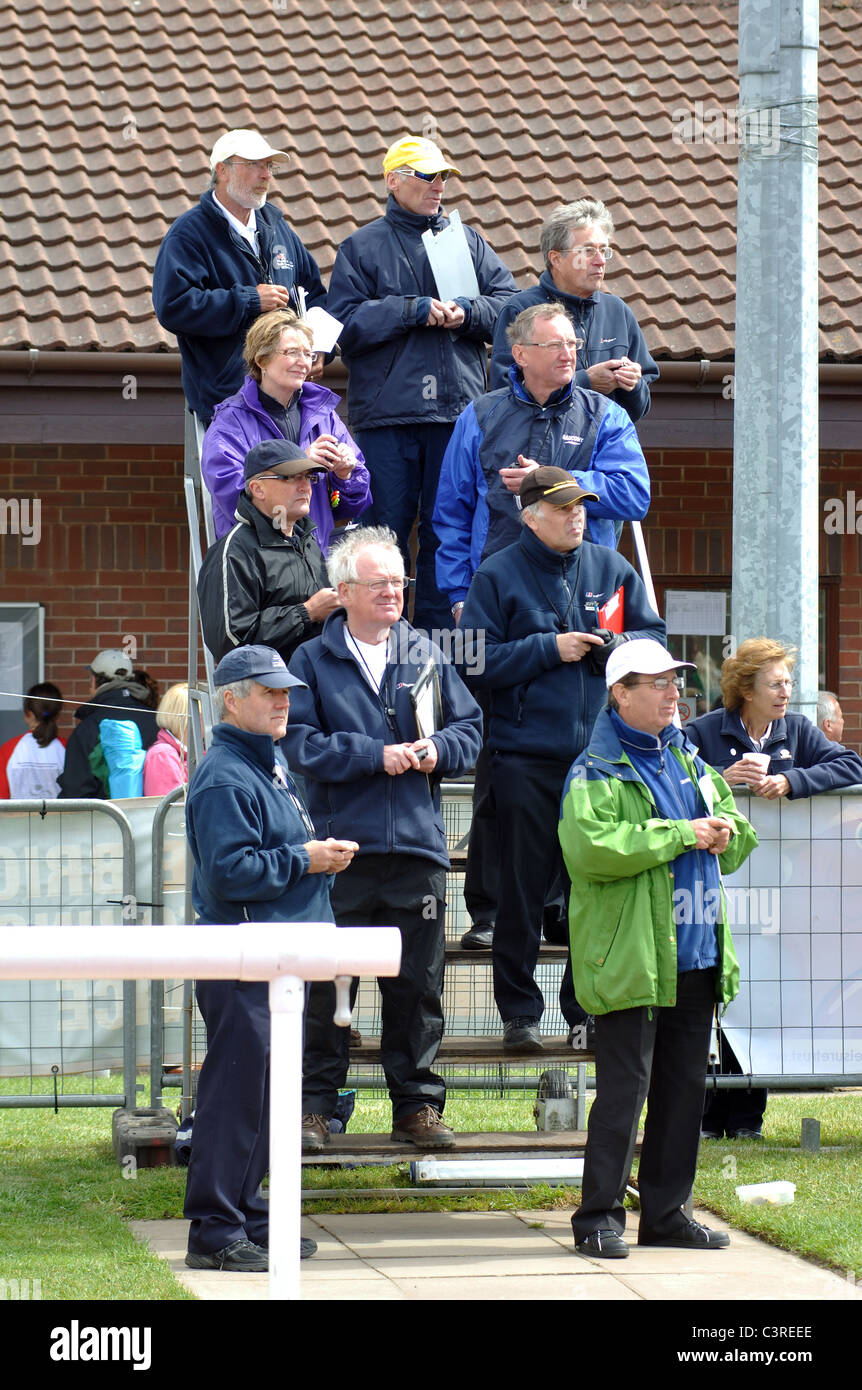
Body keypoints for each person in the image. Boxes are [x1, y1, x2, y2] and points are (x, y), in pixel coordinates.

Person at [435, 301, 651, 950]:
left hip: (585, 607)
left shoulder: (605, 414)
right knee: (495, 766)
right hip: (489, 608)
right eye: (554, 345)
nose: (568, 354)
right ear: (518, 353)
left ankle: (560, 908)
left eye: (573, 344)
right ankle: (490, 912)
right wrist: (454, 596)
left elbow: (634, 494)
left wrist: (555, 483)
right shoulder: (478, 417)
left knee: (579, 771)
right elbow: (450, 513)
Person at [283, 526, 482, 1149]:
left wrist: (434, 750)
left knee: (418, 987)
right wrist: (376, 755)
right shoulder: (311, 661)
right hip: (341, 853)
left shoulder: (426, 654)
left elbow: (471, 731)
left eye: (399, 582)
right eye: (379, 584)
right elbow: (299, 745)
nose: (393, 593)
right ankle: (315, 1108)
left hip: (417, 852)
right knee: (324, 987)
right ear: (343, 592)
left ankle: (417, 1107)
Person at [559, 639, 757, 1258]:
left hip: (694, 953)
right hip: (631, 957)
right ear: (620, 694)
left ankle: (668, 1213)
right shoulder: (595, 770)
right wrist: (682, 833)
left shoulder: (689, 758)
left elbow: (738, 832)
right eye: (659, 683)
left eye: (677, 682)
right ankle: (598, 1219)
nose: (675, 693)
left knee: (681, 1094)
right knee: (624, 1094)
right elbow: (592, 849)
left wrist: (728, 833)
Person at [458, 467, 665, 1051]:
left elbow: (653, 642)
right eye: (565, 506)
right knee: (520, 892)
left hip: (600, 762)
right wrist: (550, 648)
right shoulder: (497, 575)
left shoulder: (612, 568)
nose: (578, 515)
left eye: (582, 505)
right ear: (530, 516)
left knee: (592, 891)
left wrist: (618, 649)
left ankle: (585, 1010)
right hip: (524, 757)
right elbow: (473, 662)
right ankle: (519, 1014)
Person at [184, 645, 359, 1272]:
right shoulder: (226, 774)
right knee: (237, 1094)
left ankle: (250, 1215)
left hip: (275, 956)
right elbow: (231, 873)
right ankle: (214, 1230)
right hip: (245, 955)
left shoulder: (266, 763)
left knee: (264, 1096)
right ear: (232, 699)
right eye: (269, 691)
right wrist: (306, 860)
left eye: (286, 689)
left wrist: (311, 857)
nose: (284, 700)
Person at [325, 135, 517, 631]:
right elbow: (343, 324)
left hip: (457, 417)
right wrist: (411, 310)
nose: (439, 186)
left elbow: (511, 309)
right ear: (393, 180)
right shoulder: (361, 247)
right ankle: (373, 642)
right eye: (427, 176)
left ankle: (434, 648)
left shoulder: (468, 241)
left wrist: (468, 313)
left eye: (444, 177)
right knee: (380, 536)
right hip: (386, 419)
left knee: (446, 533)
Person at [686, 638, 862, 1139]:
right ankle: (702, 1116)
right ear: (746, 688)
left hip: (773, 893)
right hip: (710, 890)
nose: (786, 692)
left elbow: (851, 767)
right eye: (776, 683)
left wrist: (794, 782)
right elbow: (669, 780)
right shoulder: (702, 731)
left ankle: (746, 1120)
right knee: (707, 998)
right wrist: (720, 778)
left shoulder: (798, 731)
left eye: (789, 683)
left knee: (757, 996)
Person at [152, 129, 327, 424]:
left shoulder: (279, 229)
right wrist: (249, 300)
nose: (266, 175)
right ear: (222, 170)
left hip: (288, 403)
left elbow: (317, 297)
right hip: (229, 403)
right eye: (255, 165)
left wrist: (320, 345)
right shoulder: (189, 234)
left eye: (269, 166)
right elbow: (174, 306)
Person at [201, 309, 372, 547]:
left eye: (308, 354)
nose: (304, 363)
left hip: (313, 562)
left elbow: (347, 507)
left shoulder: (325, 416)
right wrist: (300, 464)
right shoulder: (230, 423)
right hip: (256, 565)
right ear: (261, 360)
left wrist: (345, 475)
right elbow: (237, 501)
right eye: (292, 352)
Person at [489, 198, 658, 421]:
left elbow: (640, 409)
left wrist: (633, 386)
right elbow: (506, 396)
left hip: (604, 449)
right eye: (588, 251)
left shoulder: (618, 312)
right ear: (556, 258)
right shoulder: (520, 310)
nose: (600, 261)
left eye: (604, 251)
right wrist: (585, 382)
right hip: (540, 451)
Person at [197, 439, 339, 666]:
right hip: (269, 693)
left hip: (316, 687)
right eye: (290, 477)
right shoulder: (234, 550)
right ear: (257, 489)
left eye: (308, 477)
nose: (304, 486)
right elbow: (231, 644)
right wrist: (307, 612)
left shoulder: (308, 542)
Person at [58, 651, 158, 799]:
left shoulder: (89, 727)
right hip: (154, 817)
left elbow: (76, 791)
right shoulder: (156, 721)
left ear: (94, 680)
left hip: (104, 819)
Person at [0, 683, 65, 799]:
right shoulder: (68, 748)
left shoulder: (8, 749)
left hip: (17, 817)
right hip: (62, 817)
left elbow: (2, 797)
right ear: (58, 715)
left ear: (28, 713)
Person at [143, 682, 189, 796]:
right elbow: (172, 811)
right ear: (184, 718)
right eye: (202, 715)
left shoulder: (185, 753)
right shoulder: (162, 755)